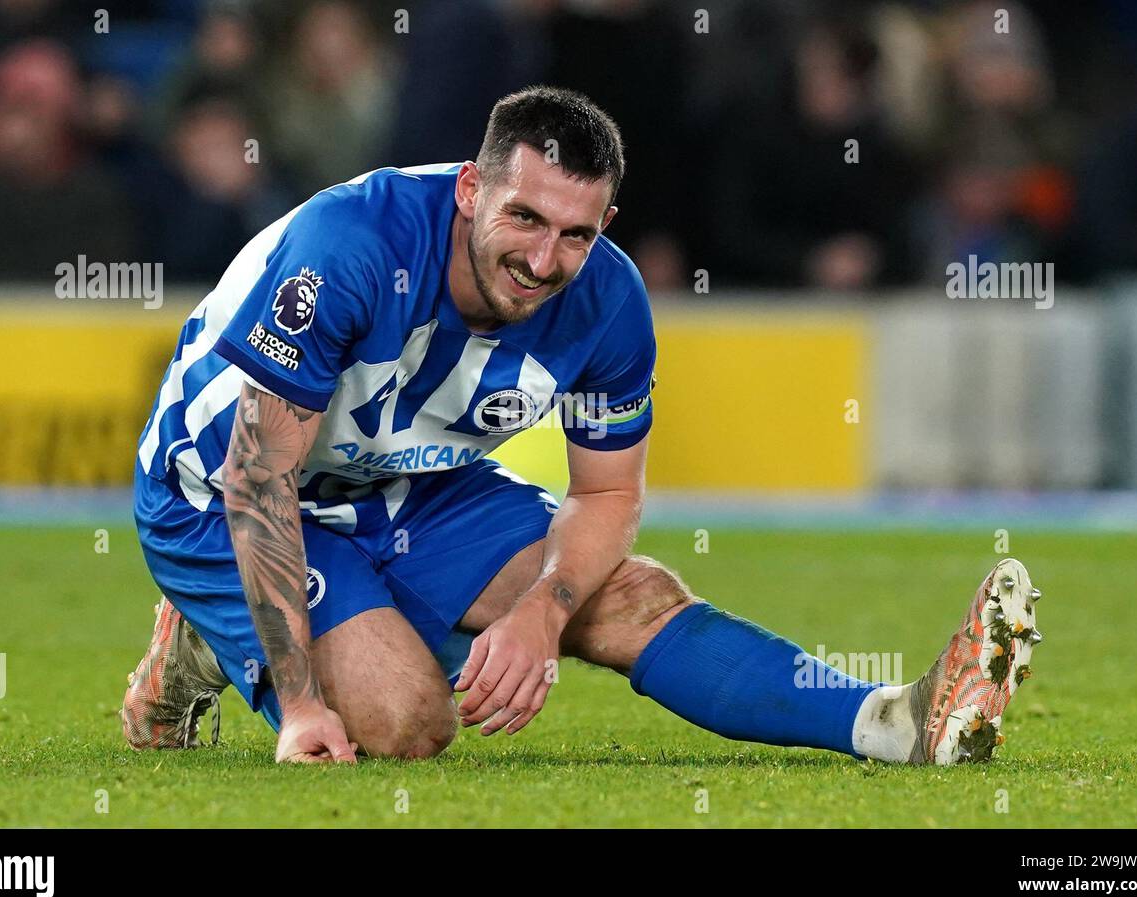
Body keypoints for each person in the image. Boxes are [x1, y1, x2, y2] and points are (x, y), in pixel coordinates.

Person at [123, 86, 1043, 766]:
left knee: (626, 594)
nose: (541, 259)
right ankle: (205, 638)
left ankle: (894, 721)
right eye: (523, 217)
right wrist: (299, 705)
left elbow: (606, 493)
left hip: (402, 482)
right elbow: (257, 477)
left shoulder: (609, 302)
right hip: (218, 492)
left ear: (607, 222)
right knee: (406, 725)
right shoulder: (350, 247)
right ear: (471, 191)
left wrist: (541, 611)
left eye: (575, 233)